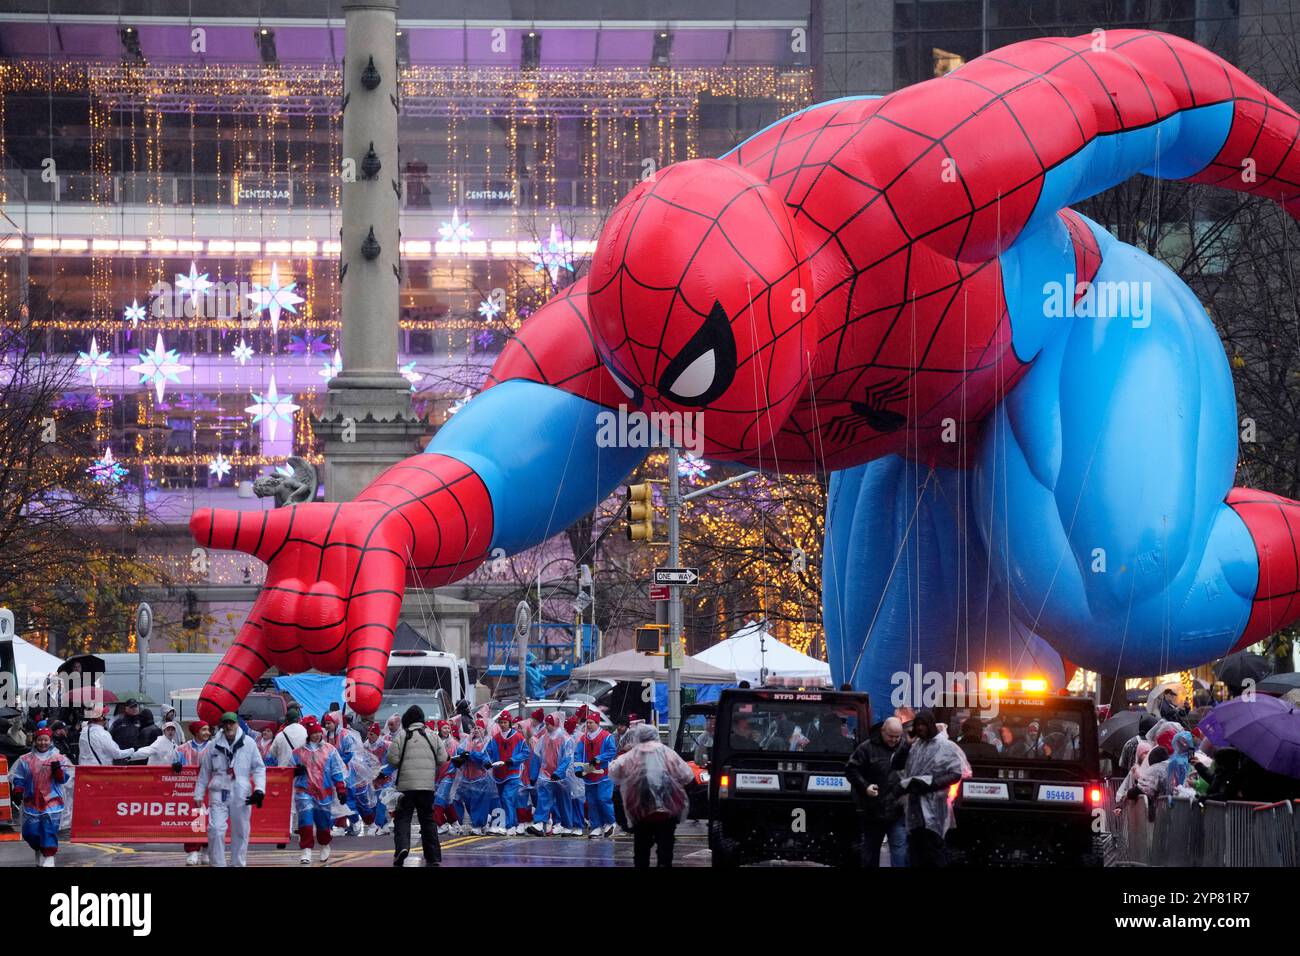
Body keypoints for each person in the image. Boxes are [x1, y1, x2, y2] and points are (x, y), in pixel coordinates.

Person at [609, 723, 695, 867]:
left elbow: (614, 773)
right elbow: (687, 776)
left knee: (641, 851)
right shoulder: (667, 753)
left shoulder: (631, 755)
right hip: (667, 811)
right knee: (665, 850)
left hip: (640, 811)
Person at [193, 712, 266, 868]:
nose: (228, 726)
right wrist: (199, 792)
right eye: (225, 723)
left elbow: (259, 768)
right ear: (221, 725)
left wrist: (259, 790)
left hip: (241, 790)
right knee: (215, 829)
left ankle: (238, 864)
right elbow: (205, 770)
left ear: (237, 724)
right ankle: (218, 864)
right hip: (219, 790)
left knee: (240, 831)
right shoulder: (213, 745)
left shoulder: (249, 743)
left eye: (231, 723)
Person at [900, 709, 965, 867]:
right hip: (915, 805)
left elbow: (956, 772)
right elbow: (896, 764)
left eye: (923, 725)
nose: (920, 728)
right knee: (916, 849)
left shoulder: (946, 746)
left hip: (935, 806)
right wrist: (906, 745)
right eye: (918, 725)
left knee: (934, 849)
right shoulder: (915, 746)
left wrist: (931, 784)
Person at [384, 704, 447, 867]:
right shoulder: (433, 735)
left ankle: (402, 848)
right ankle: (433, 857)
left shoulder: (401, 736)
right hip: (427, 786)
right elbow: (443, 758)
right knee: (427, 819)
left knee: (403, 818)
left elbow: (392, 759)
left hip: (406, 786)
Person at [845, 716, 910, 866]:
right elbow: (851, 769)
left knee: (900, 851)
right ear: (882, 731)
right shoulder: (866, 748)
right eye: (890, 736)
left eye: (897, 737)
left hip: (898, 810)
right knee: (870, 852)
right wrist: (865, 786)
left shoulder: (905, 748)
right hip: (873, 811)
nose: (894, 740)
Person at [10, 727, 73, 867]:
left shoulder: (59, 758)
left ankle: (49, 855)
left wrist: (58, 772)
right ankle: (39, 849)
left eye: (45, 739)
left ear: (50, 741)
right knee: (30, 832)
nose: (42, 743)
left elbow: (65, 779)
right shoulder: (24, 759)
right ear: (35, 741)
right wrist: (18, 789)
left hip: (52, 802)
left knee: (48, 829)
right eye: (40, 739)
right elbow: (18, 776)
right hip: (31, 802)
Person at [290, 716, 348, 864]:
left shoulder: (330, 750)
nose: (317, 734)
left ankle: (324, 844)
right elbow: (289, 770)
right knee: (306, 822)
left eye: (318, 731)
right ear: (308, 734)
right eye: (313, 732)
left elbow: (336, 770)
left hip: (324, 793)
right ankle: (306, 851)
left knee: (323, 824)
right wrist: (296, 771)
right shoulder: (297, 753)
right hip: (304, 792)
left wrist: (341, 788)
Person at [529, 712, 576, 835]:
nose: (547, 726)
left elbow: (568, 758)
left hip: (562, 777)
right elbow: (536, 756)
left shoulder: (566, 739)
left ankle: (567, 825)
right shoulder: (543, 738)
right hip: (545, 775)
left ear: (555, 724)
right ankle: (539, 823)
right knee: (543, 799)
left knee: (563, 801)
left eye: (549, 724)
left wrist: (559, 773)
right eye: (546, 724)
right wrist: (533, 776)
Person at [483, 711, 529, 834]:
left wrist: (513, 760)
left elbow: (525, 752)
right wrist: (487, 761)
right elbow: (488, 753)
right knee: (504, 800)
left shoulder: (518, 737)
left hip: (513, 773)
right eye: (501, 722)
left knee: (507, 797)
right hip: (498, 773)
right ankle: (511, 823)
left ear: (510, 723)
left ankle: (509, 826)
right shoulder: (495, 738)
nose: (503, 725)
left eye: (505, 722)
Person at [174, 720, 213, 865]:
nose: (207, 733)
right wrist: (175, 765)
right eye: (204, 729)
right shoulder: (182, 749)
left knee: (210, 820)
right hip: (189, 790)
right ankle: (192, 851)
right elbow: (175, 766)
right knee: (193, 820)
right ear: (196, 732)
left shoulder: (213, 747)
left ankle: (207, 850)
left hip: (209, 789)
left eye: (208, 729)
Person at [575, 711, 617, 837]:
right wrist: (578, 769)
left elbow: (612, 751)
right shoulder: (583, 738)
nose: (588, 725)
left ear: (597, 723)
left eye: (591, 722)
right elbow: (578, 754)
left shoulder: (607, 736)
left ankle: (610, 822)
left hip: (604, 774)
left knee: (603, 798)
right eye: (587, 722)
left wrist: (599, 758)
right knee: (592, 801)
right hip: (589, 774)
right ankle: (596, 825)